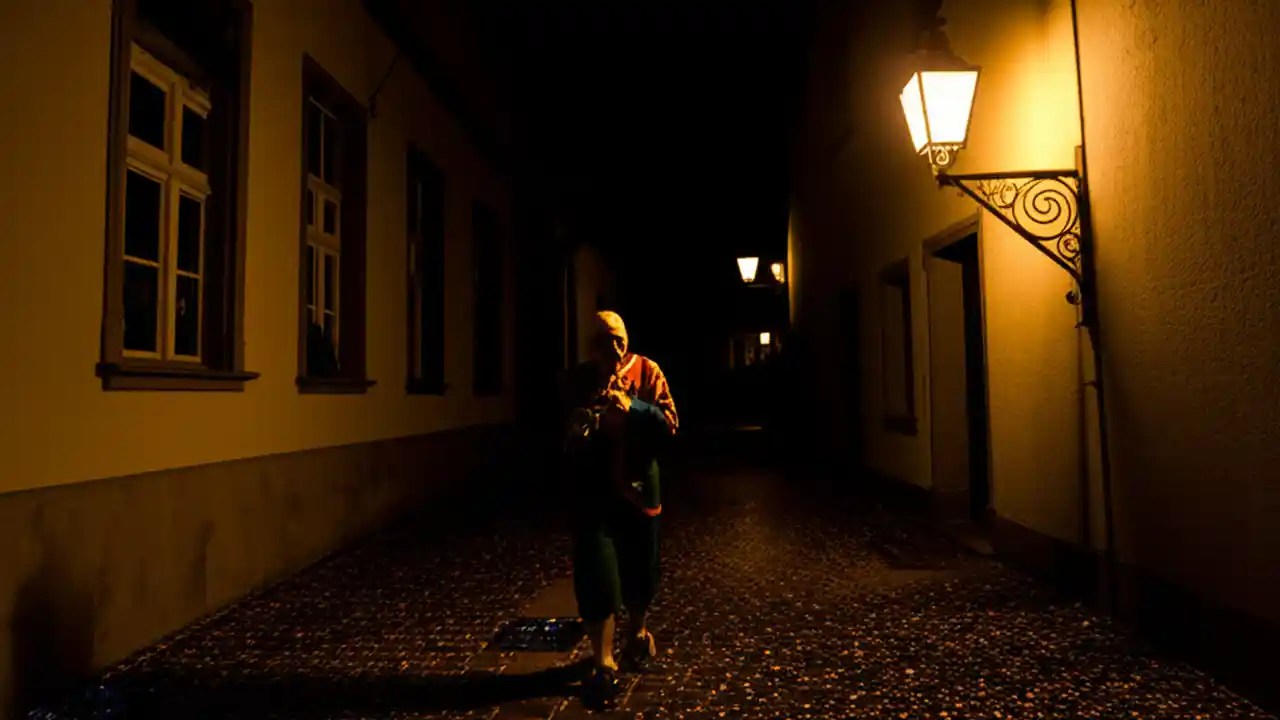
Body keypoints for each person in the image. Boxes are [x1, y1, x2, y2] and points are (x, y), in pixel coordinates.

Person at [560, 311, 678, 708]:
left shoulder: (647, 371)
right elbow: (561, 426)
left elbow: (670, 422)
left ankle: (638, 633)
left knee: (641, 566)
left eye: (619, 337)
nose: (614, 346)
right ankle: (602, 662)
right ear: (591, 343)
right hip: (592, 490)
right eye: (605, 338)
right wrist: (578, 427)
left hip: (640, 485)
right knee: (597, 569)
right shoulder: (580, 378)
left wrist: (635, 408)